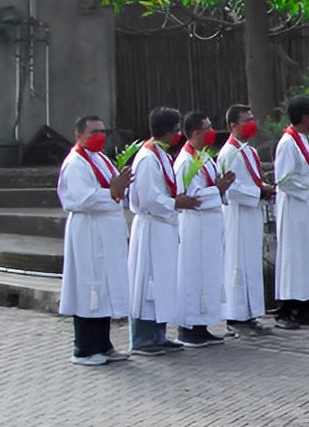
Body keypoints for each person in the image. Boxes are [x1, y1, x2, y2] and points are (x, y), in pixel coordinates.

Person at [57, 114, 132, 365]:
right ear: (79, 135)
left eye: (103, 132)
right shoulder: (75, 163)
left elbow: (116, 190)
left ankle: (103, 345)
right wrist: (113, 192)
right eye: (94, 133)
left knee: (106, 286)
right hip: (88, 232)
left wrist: (120, 189)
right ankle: (85, 349)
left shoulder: (100, 158)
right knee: (90, 287)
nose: (100, 137)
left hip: (106, 231)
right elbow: (83, 198)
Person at [126, 106, 186, 355]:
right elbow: (149, 198)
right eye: (176, 130)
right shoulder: (148, 158)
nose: (178, 135)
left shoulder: (161, 155)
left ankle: (158, 334)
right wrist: (176, 203)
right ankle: (143, 338)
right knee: (147, 281)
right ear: (168, 132)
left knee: (162, 281)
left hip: (164, 226)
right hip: (151, 225)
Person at [170, 110, 230, 346]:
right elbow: (192, 197)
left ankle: (202, 324)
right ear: (195, 133)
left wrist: (222, 186)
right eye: (208, 128)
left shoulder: (203, 157)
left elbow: (212, 187)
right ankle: (189, 327)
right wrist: (218, 189)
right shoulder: (185, 161)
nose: (212, 132)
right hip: (195, 226)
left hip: (210, 225)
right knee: (194, 275)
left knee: (208, 275)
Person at [273, 96, 309, 328]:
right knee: (295, 258)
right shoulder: (288, 143)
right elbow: (284, 180)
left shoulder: (302, 140)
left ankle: (306, 307)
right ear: (305, 117)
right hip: (295, 208)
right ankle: (286, 310)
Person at [217, 104, 271, 331]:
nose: (251, 123)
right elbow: (232, 189)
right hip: (237, 214)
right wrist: (258, 192)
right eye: (246, 120)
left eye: (252, 119)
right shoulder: (228, 153)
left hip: (252, 212)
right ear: (233, 126)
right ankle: (235, 316)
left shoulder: (249, 151)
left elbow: (254, 179)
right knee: (237, 261)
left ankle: (250, 313)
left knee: (251, 262)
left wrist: (264, 188)